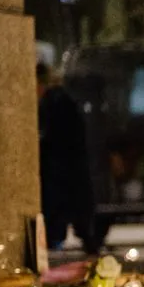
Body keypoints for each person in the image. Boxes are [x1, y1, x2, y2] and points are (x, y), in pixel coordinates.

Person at [37, 63, 99, 255]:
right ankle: (85, 238)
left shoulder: (54, 101)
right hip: (72, 164)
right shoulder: (66, 100)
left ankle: (59, 240)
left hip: (60, 165)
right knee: (76, 207)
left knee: (60, 207)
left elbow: (51, 134)